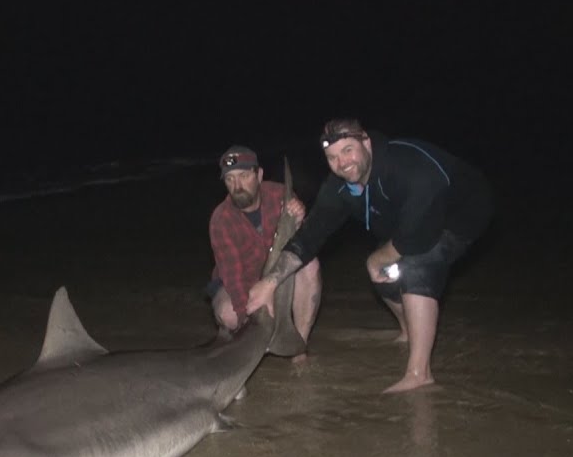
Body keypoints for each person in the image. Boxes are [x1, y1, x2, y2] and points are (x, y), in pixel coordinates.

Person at [244, 119, 492, 393]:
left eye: (348, 150)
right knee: (384, 272)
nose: (342, 163)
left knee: (415, 264)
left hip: (460, 213)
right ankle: (409, 331)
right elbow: (309, 237)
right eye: (332, 157)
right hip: (408, 223)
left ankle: (419, 373)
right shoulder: (339, 187)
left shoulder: (406, 165)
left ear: (366, 142)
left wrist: (378, 257)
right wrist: (269, 283)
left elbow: (417, 236)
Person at [207, 145, 321, 360]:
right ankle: (247, 346)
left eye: (243, 176)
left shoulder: (280, 196)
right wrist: (249, 317)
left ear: (258, 175)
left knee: (309, 264)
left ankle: (299, 346)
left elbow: (302, 245)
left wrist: (299, 222)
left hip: (277, 275)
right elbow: (233, 278)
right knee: (228, 314)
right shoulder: (221, 219)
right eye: (230, 179)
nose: (237, 186)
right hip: (241, 280)